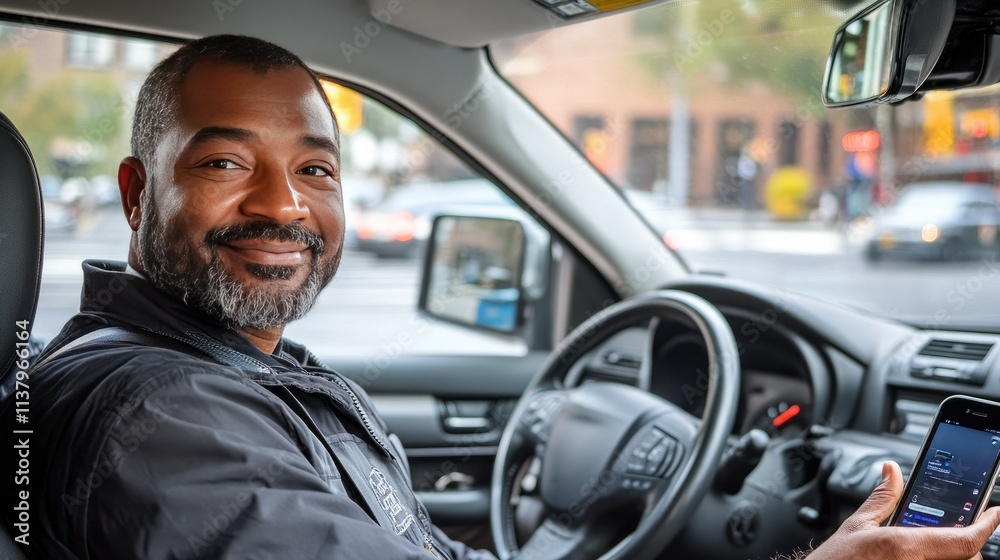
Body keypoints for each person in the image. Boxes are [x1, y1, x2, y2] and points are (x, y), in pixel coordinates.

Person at [2, 34, 998, 560]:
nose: (282, 205)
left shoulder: (217, 368)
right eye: (226, 161)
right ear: (139, 192)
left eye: (315, 170)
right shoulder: (162, 421)